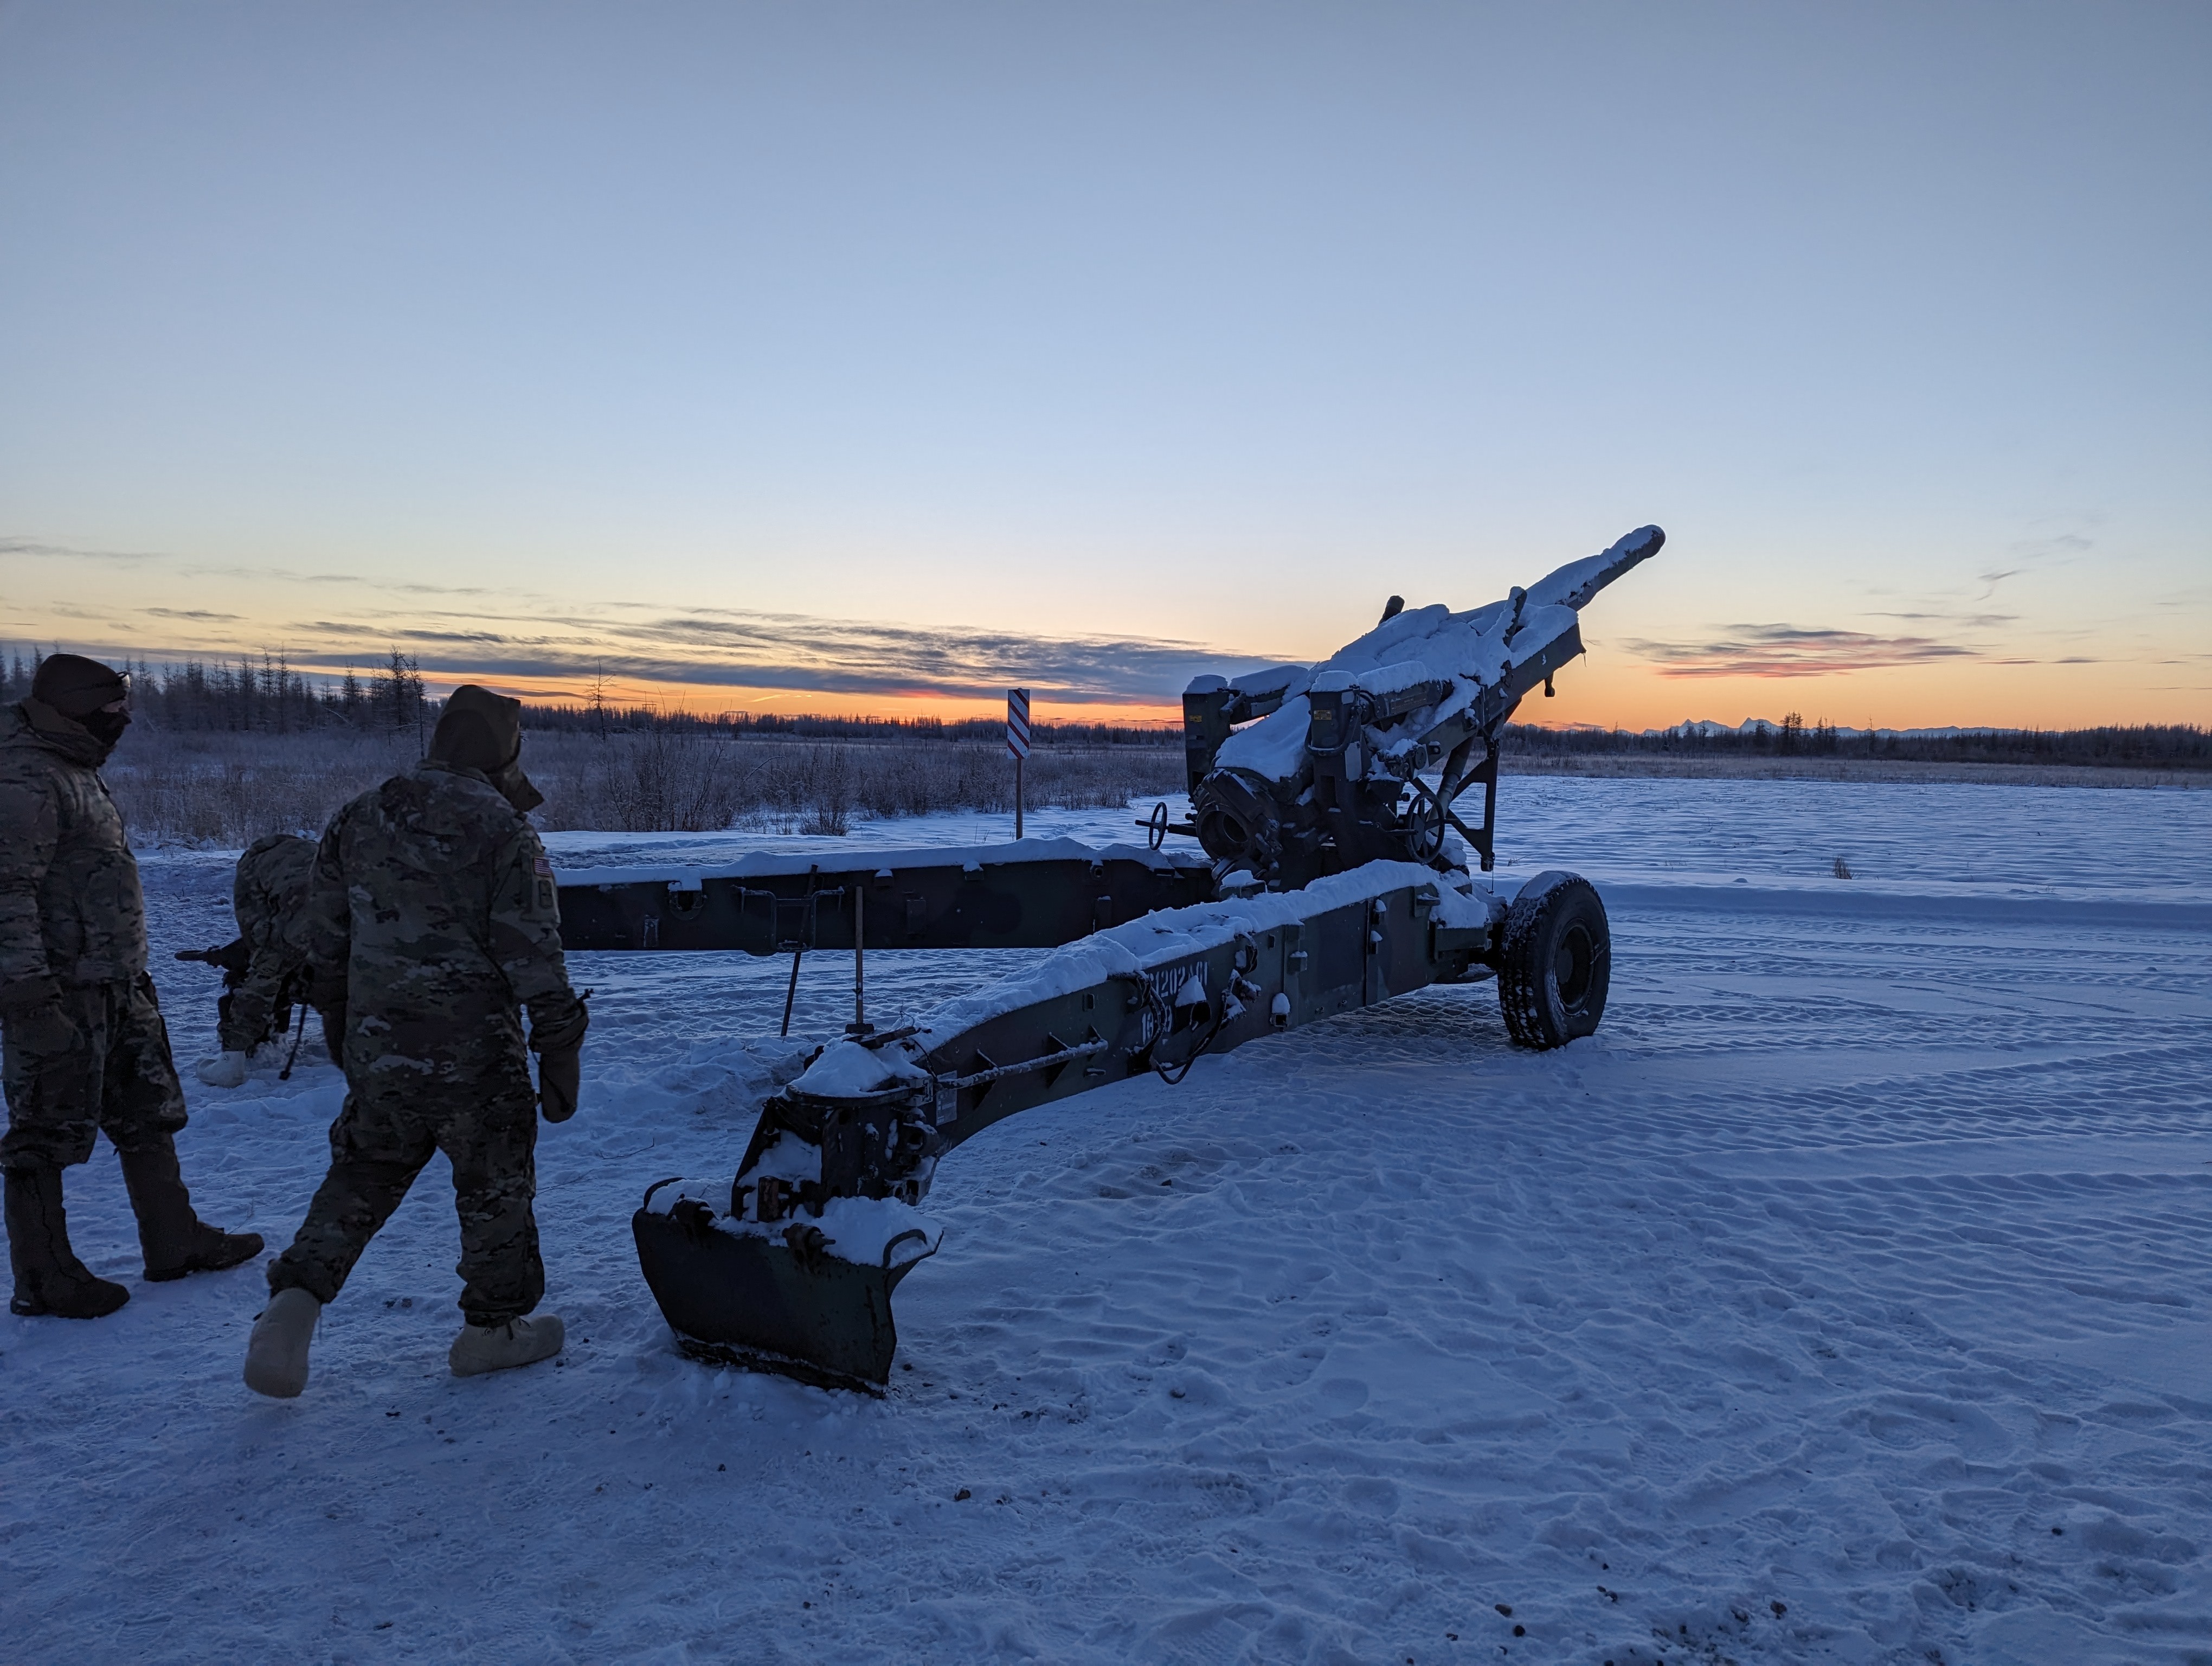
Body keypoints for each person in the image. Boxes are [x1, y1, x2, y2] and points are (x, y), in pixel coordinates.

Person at [244, 684, 587, 1398]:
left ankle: (293, 1304)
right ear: (503, 750)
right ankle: (491, 1331)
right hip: (476, 1056)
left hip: (380, 1046)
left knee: (363, 1173)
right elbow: (533, 957)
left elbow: (325, 939)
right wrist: (559, 1045)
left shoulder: (359, 816)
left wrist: (344, 1030)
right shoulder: (504, 831)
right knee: (494, 1184)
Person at [1, 653, 263, 1318]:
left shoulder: (76, 764)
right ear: (70, 705)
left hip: (118, 982)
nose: (124, 720)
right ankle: (44, 1276)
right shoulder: (27, 776)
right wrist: (29, 999)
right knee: (45, 1131)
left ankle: (174, 1241)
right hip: (60, 991)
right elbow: (7, 895)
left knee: (148, 1111)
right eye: (112, 709)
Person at [190, 832, 327, 1087]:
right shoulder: (317, 859)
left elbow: (261, 947)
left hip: (311, 911)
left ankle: (232, 1061)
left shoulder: (255, 866)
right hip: (345, 908)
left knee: (267, 970)